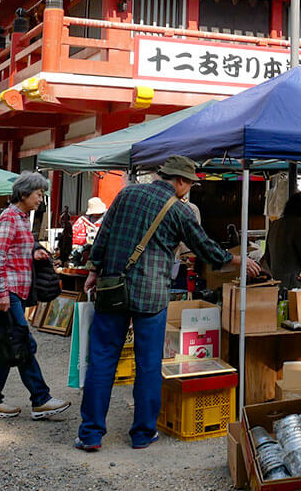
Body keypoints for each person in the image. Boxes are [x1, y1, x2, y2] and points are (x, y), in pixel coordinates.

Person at [77, 155, 259, 452]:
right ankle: (142, 433)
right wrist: (238, 259)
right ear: (181, 182)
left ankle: (91, 434)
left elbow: (104, 235)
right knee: (148, 365)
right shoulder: (180, 210)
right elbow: (206, 250)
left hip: (113, 288)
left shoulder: (126, 193)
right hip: (151, 294)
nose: (189, 189)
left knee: (102, 361)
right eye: (190, 184)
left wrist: (94, 271)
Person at [0, 172, 71, 421]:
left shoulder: (19, 218)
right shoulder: (9, 218)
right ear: (24, 194)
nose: (41, 199)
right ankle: (41, 399)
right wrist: (1, 294)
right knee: (23, 344)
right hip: (7, 292)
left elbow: (13, 252)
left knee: (7, 345)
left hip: (13, 292)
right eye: (39, 194)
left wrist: (34, 254)